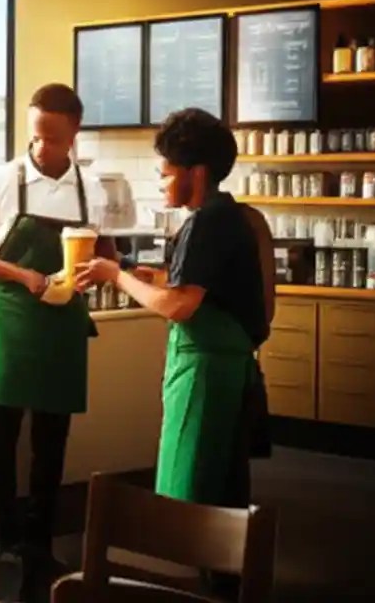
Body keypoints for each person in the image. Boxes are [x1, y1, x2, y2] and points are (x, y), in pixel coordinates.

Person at [0, 83, 113, 578]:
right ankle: (6, 542)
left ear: (75, 133)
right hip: (8, 319)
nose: (42, 147)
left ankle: (40, 544)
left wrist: (100, 273)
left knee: (52, 440)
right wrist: (23, 275)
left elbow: (105, 254)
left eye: (53, 138)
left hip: (62, 323)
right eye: (35, 136)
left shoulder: (93, 190)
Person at [75, 108, 268, 512]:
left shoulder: (205, 223)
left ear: (195, 173)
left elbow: (178, 305)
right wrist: (137, 272)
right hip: (225, 370)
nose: (160, 183)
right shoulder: (226, 215)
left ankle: (184, 556)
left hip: (205, 375)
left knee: (188, 493)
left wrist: (115, 275)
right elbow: (199, 287)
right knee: (222, 494)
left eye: (165, 174)